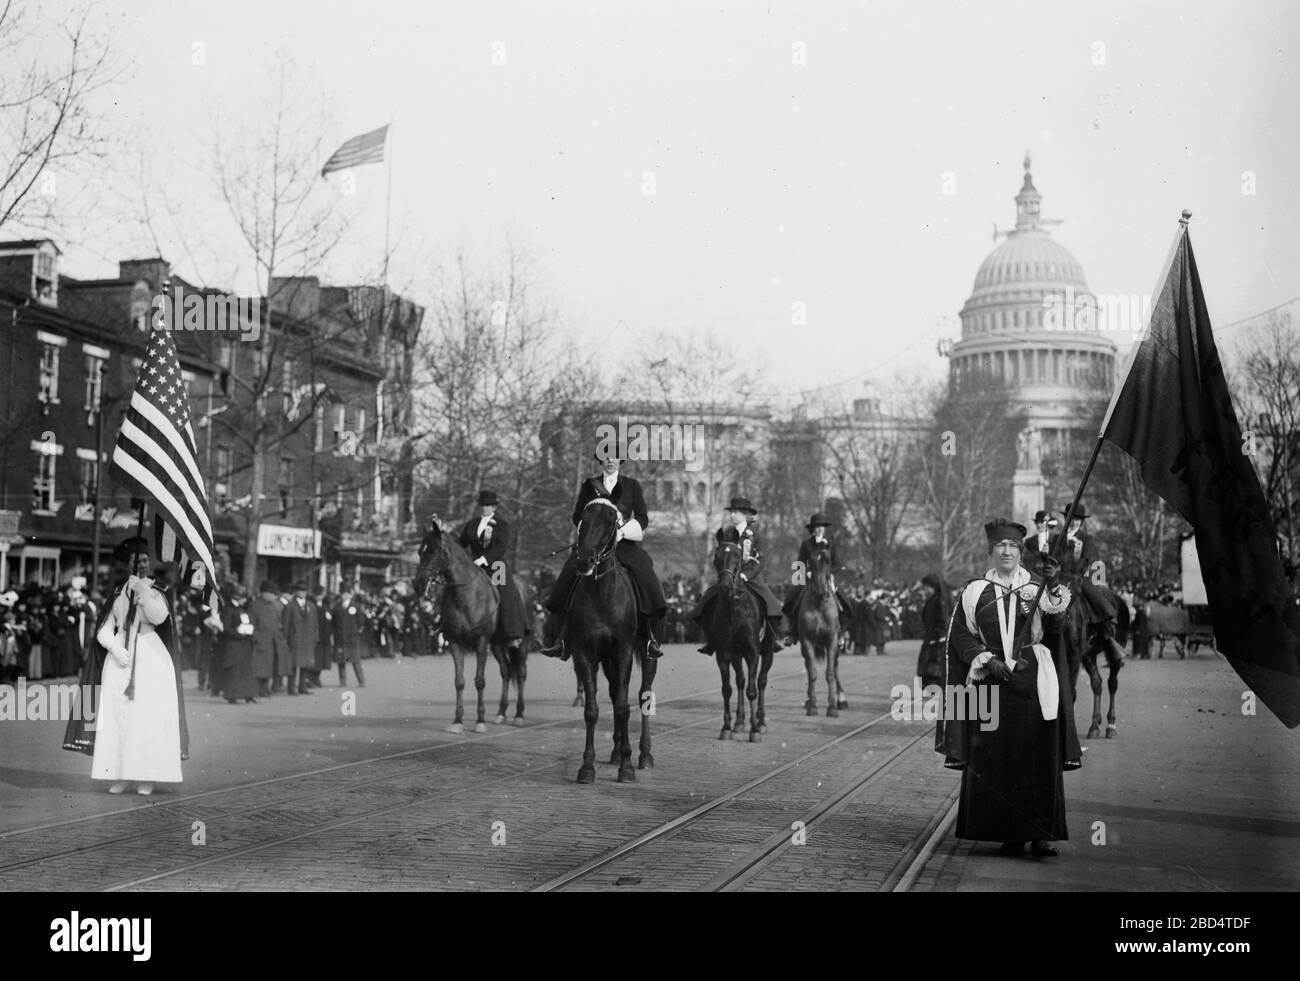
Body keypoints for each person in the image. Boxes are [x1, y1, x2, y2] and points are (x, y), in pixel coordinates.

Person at [937, 519, 1077, 858]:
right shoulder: (974, 591)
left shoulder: (1038, 588)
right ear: (990, 551)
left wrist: (1055, 581)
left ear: (1020, 552)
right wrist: (986, 659)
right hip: (990, 682)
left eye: (1013, 546)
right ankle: (1008, 833)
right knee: (996, 760)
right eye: (1001, 546)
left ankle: (1041, 834)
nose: (1007, 551)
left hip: (1032, 681)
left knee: (1037, 757)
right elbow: (959, 635)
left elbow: (1058, 625)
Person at [537, 448, 668, 660]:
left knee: (644, 572)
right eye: (606, 457)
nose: (610, 461)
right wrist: (588, 532)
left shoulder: (631, 485)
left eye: (614, 457)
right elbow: (577, 516)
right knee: (569, 572)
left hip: (622, 542)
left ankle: (649, 636)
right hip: (594, 544)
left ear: (620, 460)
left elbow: (643, 517)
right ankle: (561, 639)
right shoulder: (589, 486)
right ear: (600, 460)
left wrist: (622, 531)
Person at [83, 535, 185, 795]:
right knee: (119, 718)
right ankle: (121, 774)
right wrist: (115, 648)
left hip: (150, 657)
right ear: (127, 564)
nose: (141, 564)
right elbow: (105, 628)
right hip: (120, 662)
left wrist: (144, 594)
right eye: (136, 560)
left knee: (146, 719)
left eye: (144, 559)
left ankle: (146, 776)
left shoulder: (156, 591)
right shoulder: (118, 593)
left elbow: (159, 617)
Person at [690, 497, 785, 655]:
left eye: (736, 512)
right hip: (728, 577)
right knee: (705, 601)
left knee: (771, 603)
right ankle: (710, 640)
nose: (732, 515)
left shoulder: (755, 533)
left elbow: (761, 559)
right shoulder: (726, 533)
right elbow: (718, 556)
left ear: (745, 514)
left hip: (751, 578)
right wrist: (724, 572)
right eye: (731, 512)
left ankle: (774, 638)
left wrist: (746, 575)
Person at [457, 490, 528, 654]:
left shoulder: (501, 524)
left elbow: (501, 547)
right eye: (482, 505)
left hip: (494, 563)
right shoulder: (471, 524)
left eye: (488, 505)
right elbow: (461, 543)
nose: (484, 508)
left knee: (505, 590)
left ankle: (512, 633)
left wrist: (484, 559)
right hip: (473, 565)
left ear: (494, 507)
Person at [779, 513, 853, 647]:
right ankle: (792, 632)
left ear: (824, 529)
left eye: (821, 527)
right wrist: (805, 573)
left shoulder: (830, 544)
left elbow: (837, 563)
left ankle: (841, 633)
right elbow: (800, 562)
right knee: (792, 599)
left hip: (827, 578)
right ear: (812, 529)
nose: (819, 529)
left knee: (844, 600)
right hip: (809, 579)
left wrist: (831, 573)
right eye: (816, 527)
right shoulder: (806, 545)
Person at [282, 580, 319, 696]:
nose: (303, 593)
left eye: (304, 591)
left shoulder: (311, 606)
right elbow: (286, 623)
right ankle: (291, 688)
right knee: (293, 664)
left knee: (305, 664)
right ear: (296, 592)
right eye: (300, 591)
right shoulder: (290, 606)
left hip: (308, 639)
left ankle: (302, 687)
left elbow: (315, 623)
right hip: (295, 639)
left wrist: (315, 637)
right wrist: (285, 638)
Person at [249, 581, 286, 697]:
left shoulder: (274, 605)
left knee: (270, 667)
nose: (274, 596)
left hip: (273, 641)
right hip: (261, 641)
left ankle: (265, 687)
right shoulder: (255, 605)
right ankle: (259, 688)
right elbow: (251, 623)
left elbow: (278, 623)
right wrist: (256, 637)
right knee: (260, 667)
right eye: (271, 593)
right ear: (264, 593)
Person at [914, 573, 949, 689]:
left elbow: (944, 621)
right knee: (929, 670)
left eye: (927, 588)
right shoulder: (933, 599)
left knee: (935, 670)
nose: (926, 591)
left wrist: (939, 637)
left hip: (938, 641)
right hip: (931, 638)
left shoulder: (939, 600)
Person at [333, 587, 367, 686]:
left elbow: (361, 620)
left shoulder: (356, 606)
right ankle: (342, 682)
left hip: (352, 637)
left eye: (346, 594)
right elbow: (334, 623)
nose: (344, 596)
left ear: (350, 595)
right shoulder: (337, 607)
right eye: (343, 594)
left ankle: (361, 681)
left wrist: (357, 631)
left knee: (355, 660)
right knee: (341, 660)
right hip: (340, 637)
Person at [1020, 510, 1058, 577]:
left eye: (1041, 522)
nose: (1039, 525)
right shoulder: (1029, 541)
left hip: (1052, 576)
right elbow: (1027, 561)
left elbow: (1059, 559)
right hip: (1035, 576)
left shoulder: (1056, 539)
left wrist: (1048, 554)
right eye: (1037, 522)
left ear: (1047, 523)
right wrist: (1040, 554)